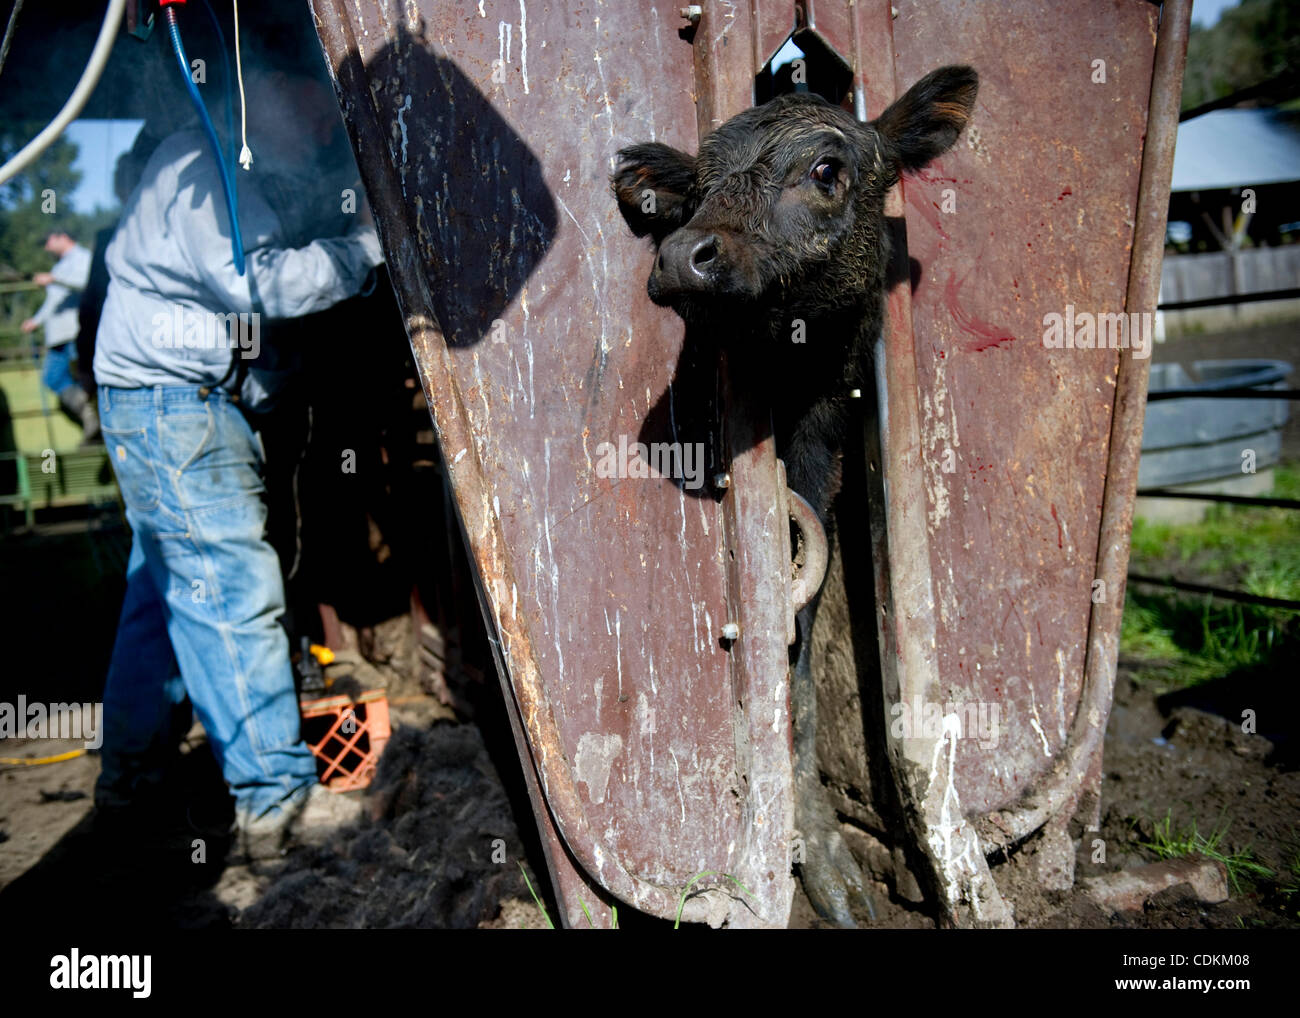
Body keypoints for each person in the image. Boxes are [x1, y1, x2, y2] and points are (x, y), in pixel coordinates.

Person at [92, 61, 385, 858]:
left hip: (159, 399)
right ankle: (275, 803)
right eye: (311, 98)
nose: (325, 122)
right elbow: (264, 289)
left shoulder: (215, 163)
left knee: (164, 593)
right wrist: (369, 247)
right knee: (230, 591)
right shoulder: (204, 163)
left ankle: (132, 780)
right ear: (258, 92)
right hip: (172, 403)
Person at [21, 231, 97, 441]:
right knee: (52, 378)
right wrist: (36, 320)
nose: (46, 247)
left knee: (87, 378)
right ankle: (89, 413)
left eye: (47, 241)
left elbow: (86, 283)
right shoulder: (59, 266)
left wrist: (54, 279)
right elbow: (53, 302)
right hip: (57, 336)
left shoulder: (82, 257)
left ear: (61, 236)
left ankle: (97, 420)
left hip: (76, 332)